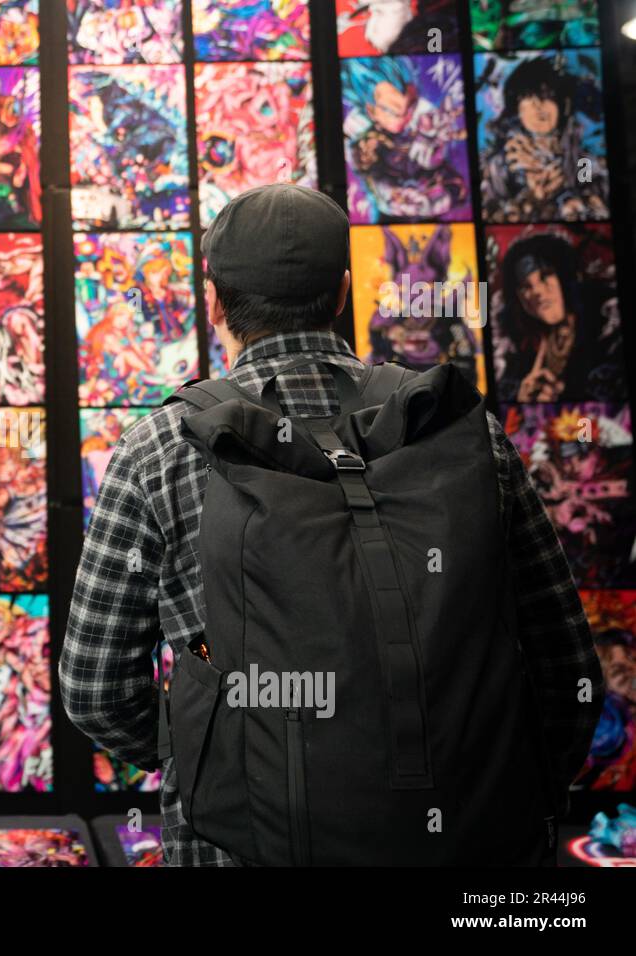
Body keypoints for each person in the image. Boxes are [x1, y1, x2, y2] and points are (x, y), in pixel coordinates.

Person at [59, 183, 603, 866]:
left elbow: (95, 690)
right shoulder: (463, 430)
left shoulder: (162, 448)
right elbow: (568, 671)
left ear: (213, 301)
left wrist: (210, 752)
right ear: (344, 293)